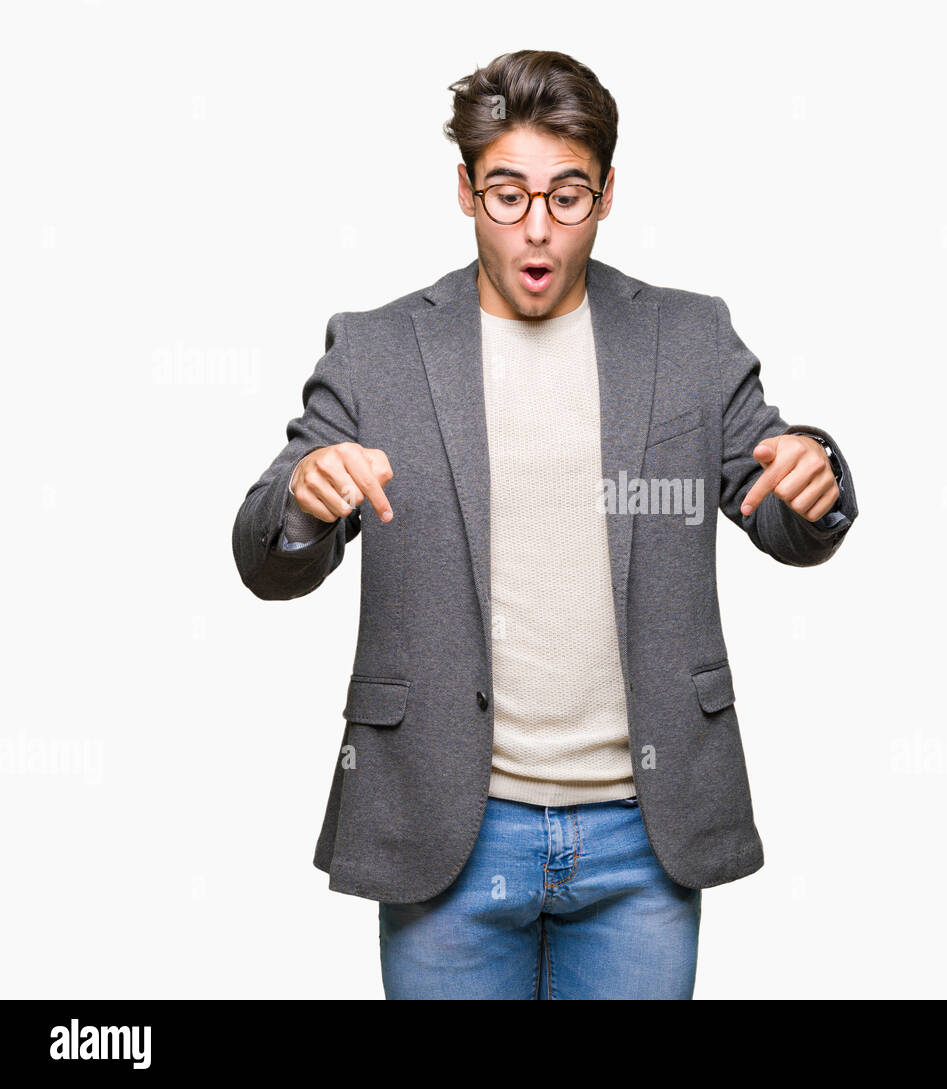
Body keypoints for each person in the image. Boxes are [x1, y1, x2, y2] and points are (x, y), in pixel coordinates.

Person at [231, 49, 858, 999]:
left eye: (567, 198)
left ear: (606, 195)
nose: (536, 228)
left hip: (641, 837)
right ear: (464, 191)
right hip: (445, 826)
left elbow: (778, 509)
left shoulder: (690, 338)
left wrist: (814, 479)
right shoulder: (376, 350)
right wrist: (303, 502)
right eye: (507, 195)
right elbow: (263, 553)